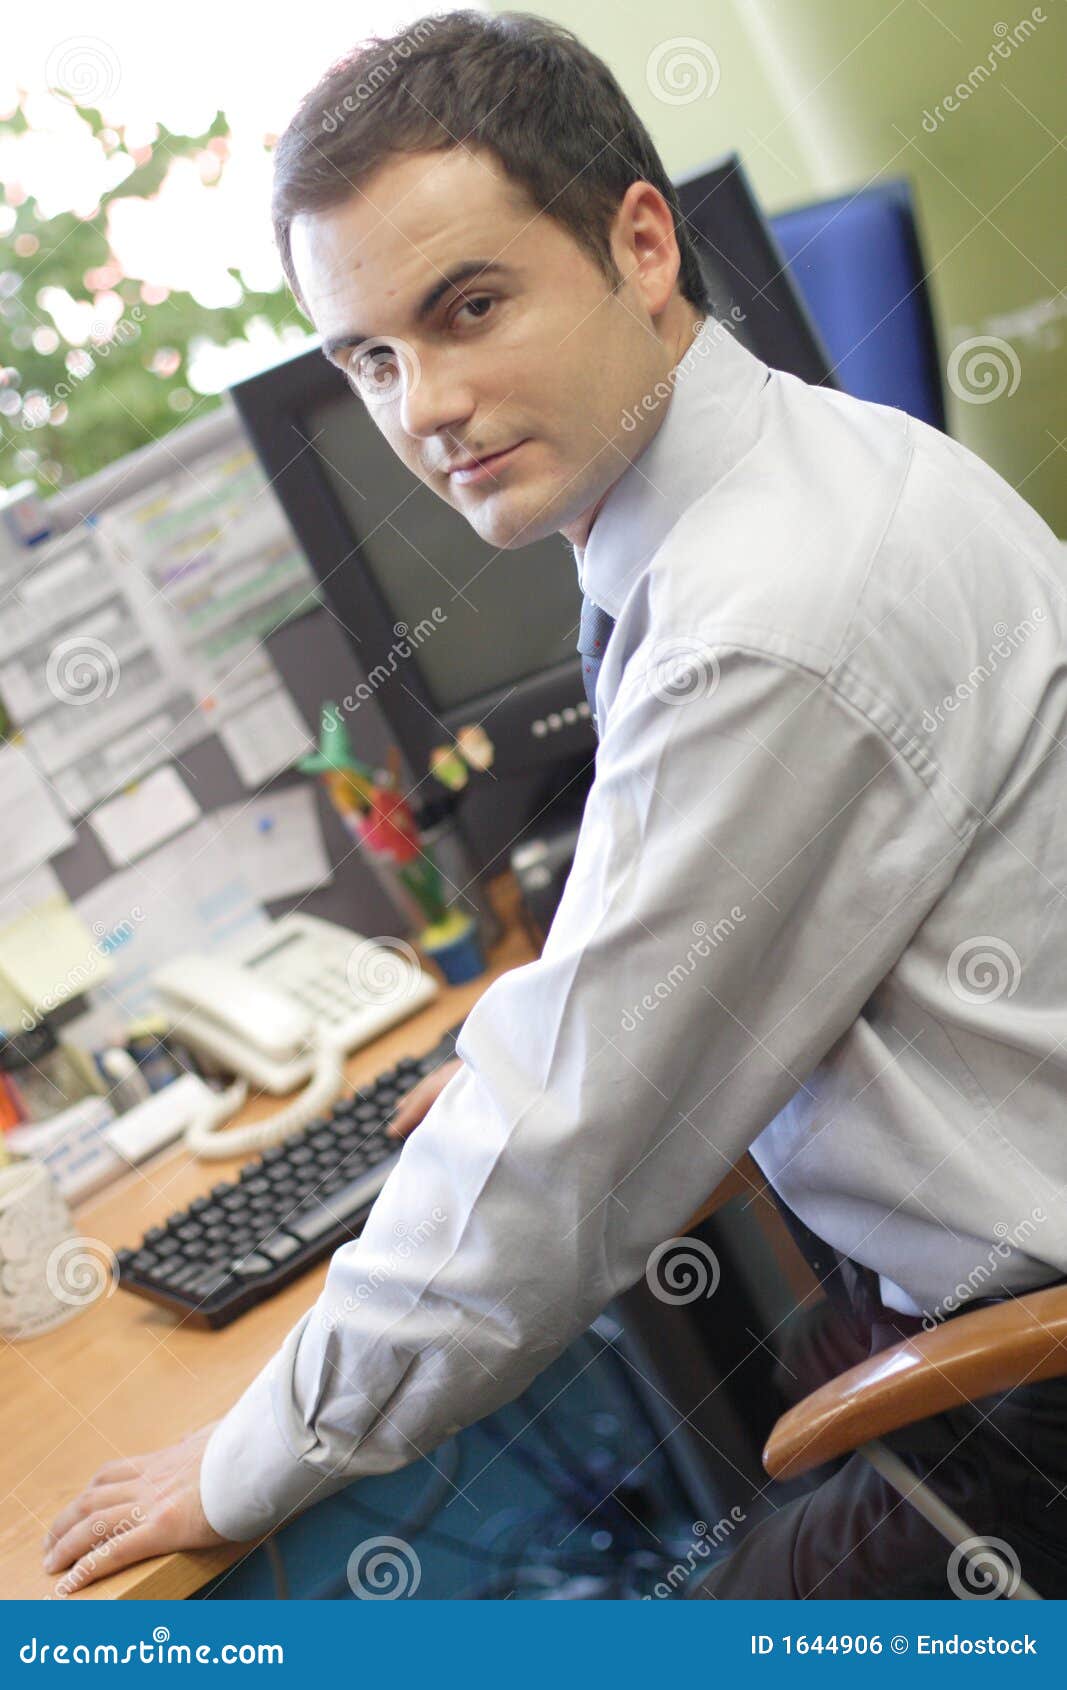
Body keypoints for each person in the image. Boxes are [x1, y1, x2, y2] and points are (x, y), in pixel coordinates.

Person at [43, 10, 1067, 1598]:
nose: (423, 404)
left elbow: (562, 1162)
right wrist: (573, 1012)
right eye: (372, 356)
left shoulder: (760, 617)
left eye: (469, 308)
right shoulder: (804, 473)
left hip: (1028, 1394)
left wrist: (247, 1453)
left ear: (640, 243)